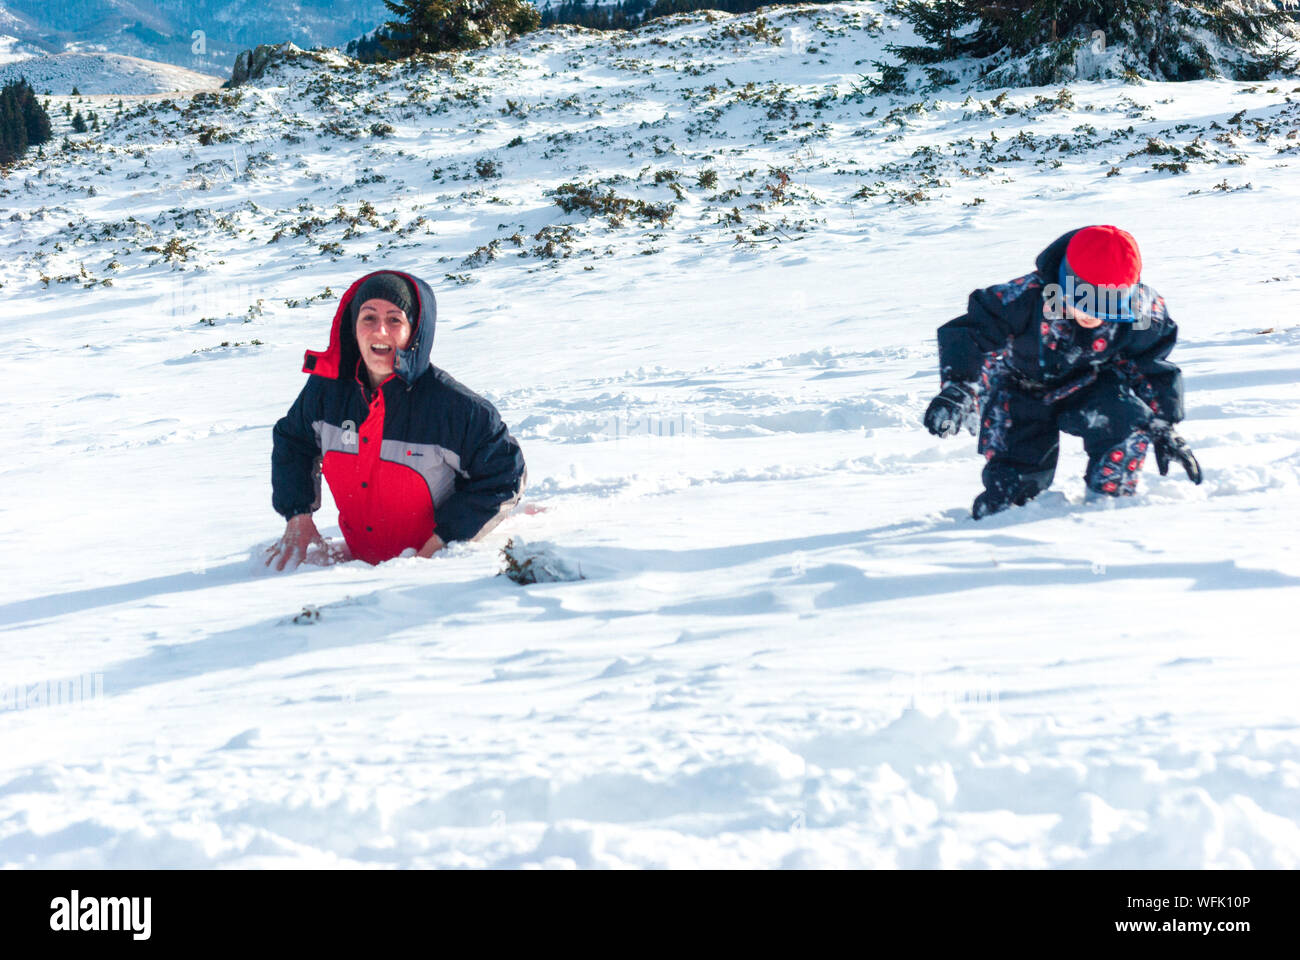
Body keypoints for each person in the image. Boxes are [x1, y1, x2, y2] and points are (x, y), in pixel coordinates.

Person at [924, 225, 1201, 518]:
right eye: (1084, 305)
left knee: (1130, 425)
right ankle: (999, 531)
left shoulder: (1142, 312)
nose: (1093, 317)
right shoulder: (1024, 299)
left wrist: (1164, 422)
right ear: (1063, 286)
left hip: (1091, 385)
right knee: (1014, 488)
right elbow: (972, 335)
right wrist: (959, 389)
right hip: (1019, 393)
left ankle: (1110, 511)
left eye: (1108, 310)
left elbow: (1150, 365)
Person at [266, 270, 526, 569]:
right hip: (354, 577)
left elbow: (505, 474)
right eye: (368, 318)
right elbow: (292, 441)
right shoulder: (326, 392)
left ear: (415, 331)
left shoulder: (456, 408)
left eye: (394, 319)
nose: (380, 331)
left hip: (433, 580)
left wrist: (443, 541)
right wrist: (297, 514)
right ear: (353, 327)